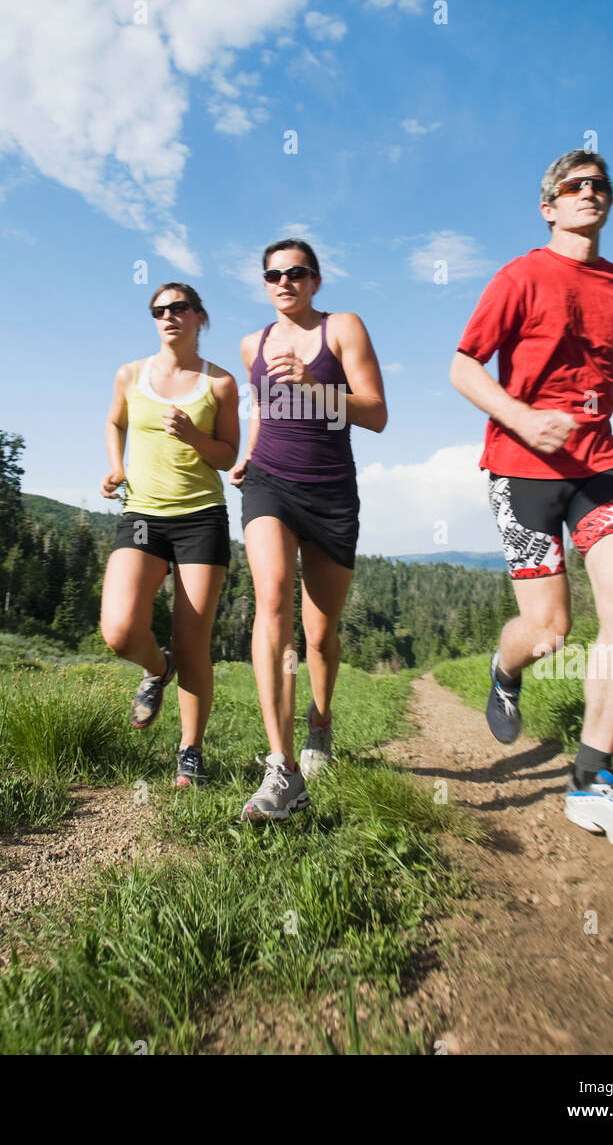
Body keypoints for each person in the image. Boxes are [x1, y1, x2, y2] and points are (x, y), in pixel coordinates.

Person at [450, 151, 613, 852]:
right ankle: (506, 668)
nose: (589, 192)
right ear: (548, 207)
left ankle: (590, 780)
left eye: (599, 184)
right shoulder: (520, 276)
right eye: (573, 186)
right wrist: (521, 418)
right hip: (519, 467)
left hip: (597, 465)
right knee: (549, 630)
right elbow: (464, 365)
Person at [229, 240, 387, 822]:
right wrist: (248, 455)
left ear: (315, 280)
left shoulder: (342, 328)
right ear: (264, 284)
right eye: (273, 275)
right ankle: (282, 768)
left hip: (330, 493)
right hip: (268, 483)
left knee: (320, 635)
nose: (284, 282)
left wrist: (315, 387)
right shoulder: (252, 343)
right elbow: (261, 408)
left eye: (296, 272)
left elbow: (376, 413)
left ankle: (320, 721)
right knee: (272, 601)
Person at [100, 283, 239, 787]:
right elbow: (115, 422)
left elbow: (227, 455)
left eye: (179, 307)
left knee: (192, 641)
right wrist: (117, 467)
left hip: (201, 517)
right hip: (142, 515)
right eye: (159, 310)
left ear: (200, 316)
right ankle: (157, 669)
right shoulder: (129, 375)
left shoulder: (220, 383)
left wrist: (194, 436)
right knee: (119, 631)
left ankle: (190, 752)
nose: (168, 316)